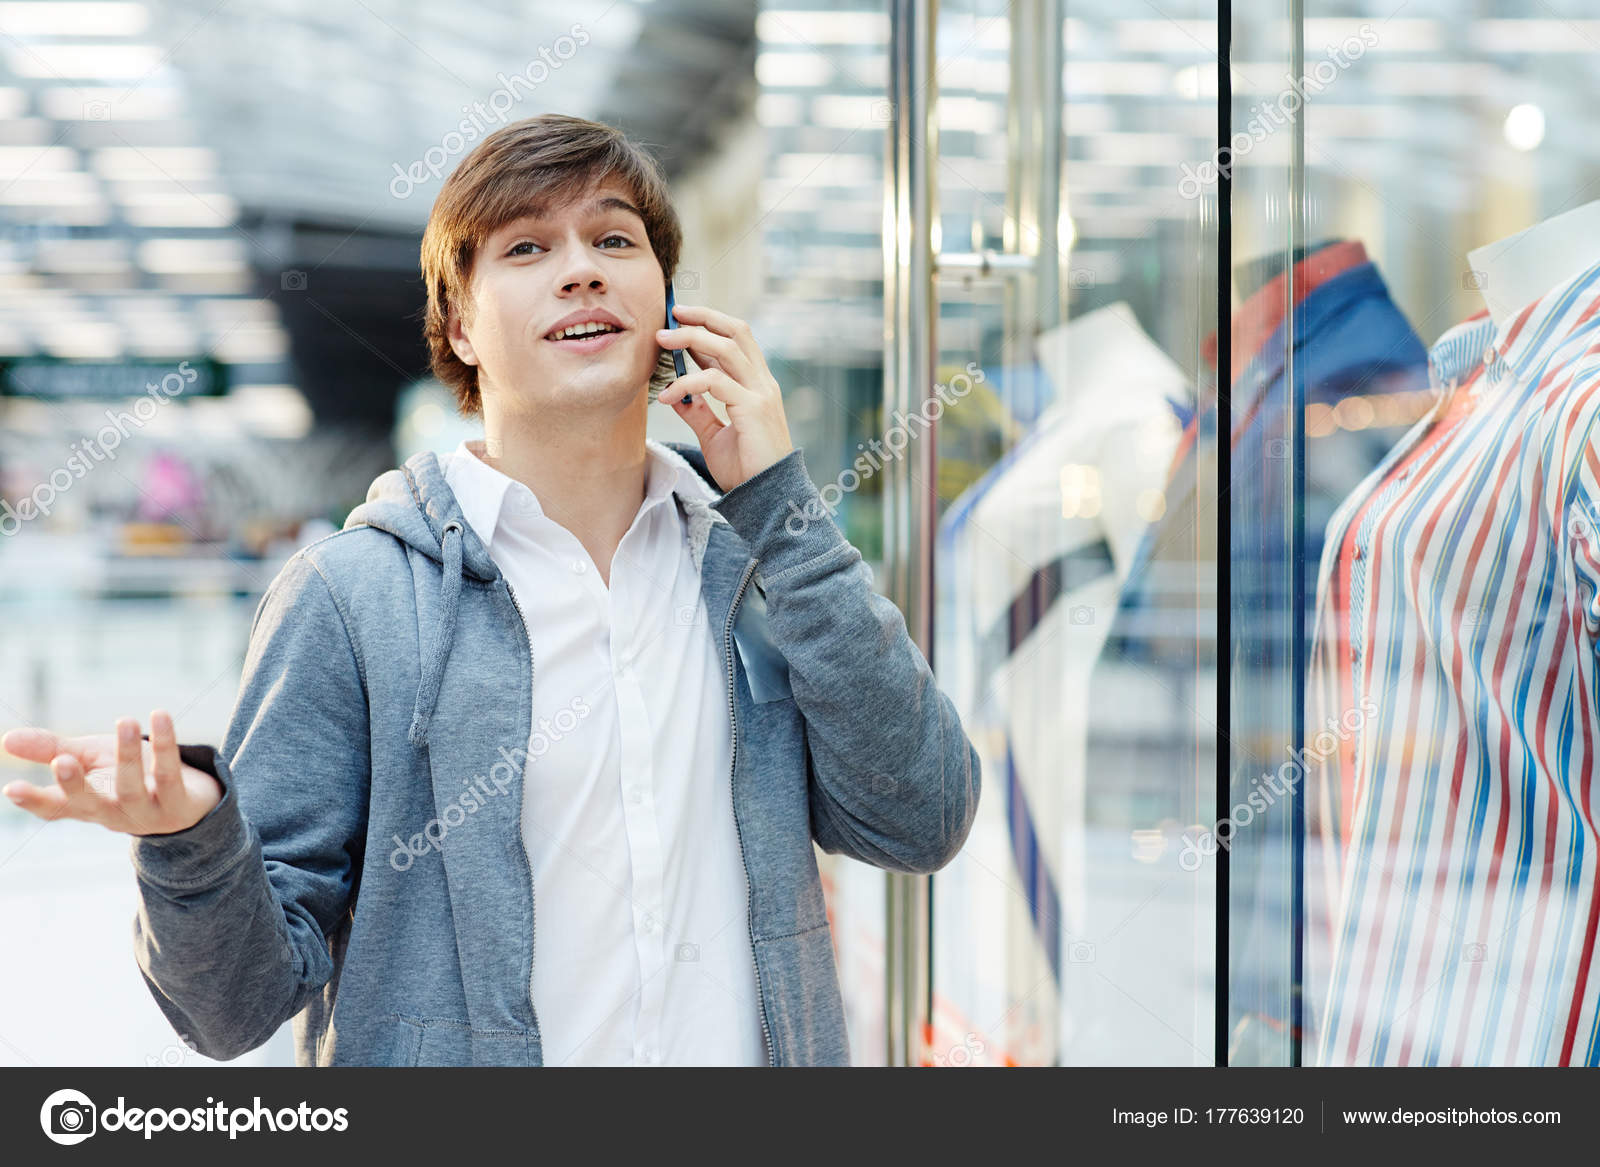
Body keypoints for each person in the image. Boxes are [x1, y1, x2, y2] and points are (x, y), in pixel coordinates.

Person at [0, 113, 980, 1067]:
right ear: (461, 326)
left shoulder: (760, 567)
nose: (582, 268)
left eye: (614, 239)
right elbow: (232, 1008)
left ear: (671, 308)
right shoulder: (352, 599)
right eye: (526, 248)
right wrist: (189, 839)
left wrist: (783, 507)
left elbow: (922, 818)